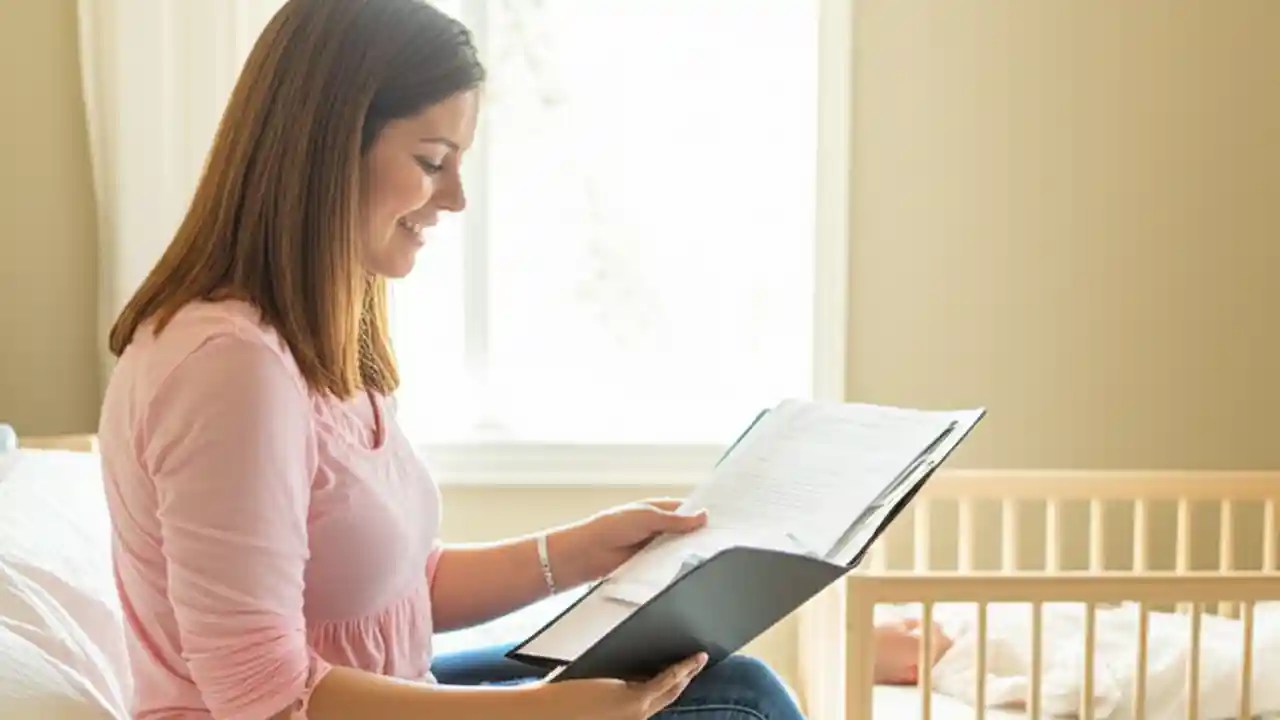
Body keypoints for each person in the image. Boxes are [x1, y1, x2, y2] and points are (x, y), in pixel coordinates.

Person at [96, 1, 808, 718]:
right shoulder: (227, 367)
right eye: (432, 161)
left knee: (724, 677)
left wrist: (585, 550)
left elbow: (401, 588)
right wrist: (539, 713)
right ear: (326, 146)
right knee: (742, 704)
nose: (458, 198)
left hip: (386, 686)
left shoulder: (316, 343)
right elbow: (259, 691)